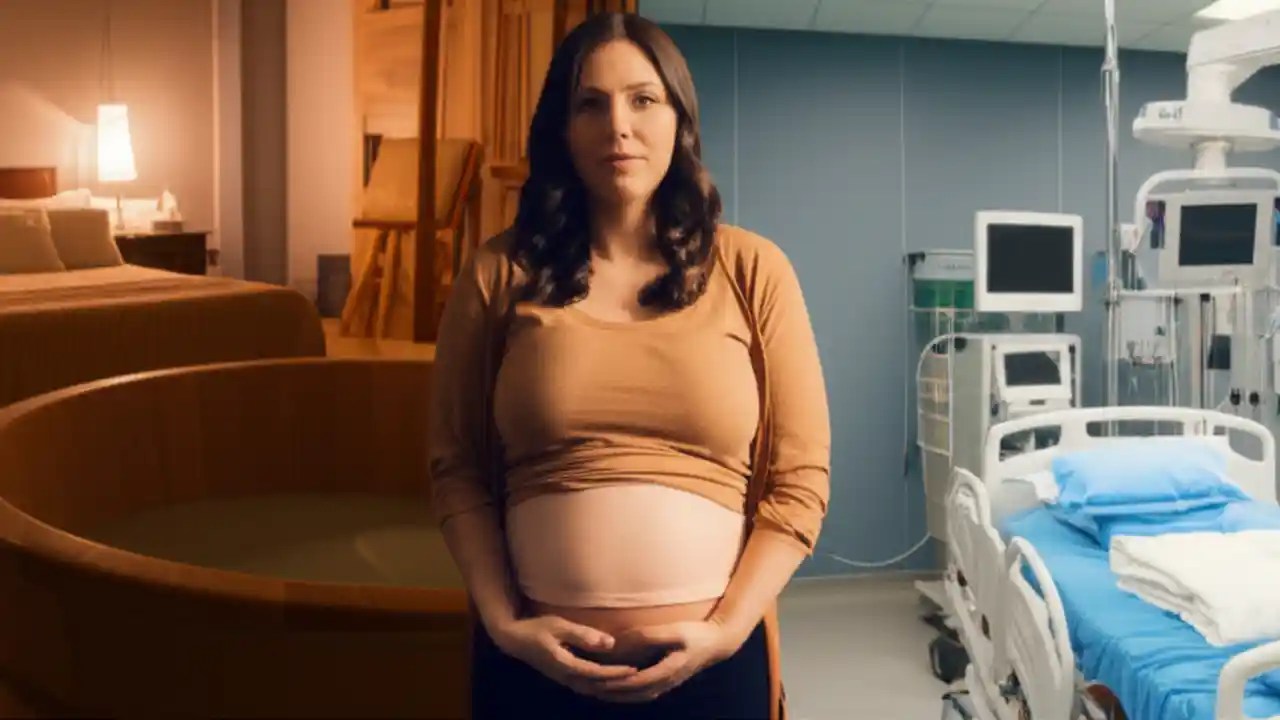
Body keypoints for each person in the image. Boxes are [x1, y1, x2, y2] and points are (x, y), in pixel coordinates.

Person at [428, 11, 830, 719]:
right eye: (591, 103)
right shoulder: (497, 271)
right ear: (562, 127)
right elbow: (454, 465)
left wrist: (727, 629)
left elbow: (799, 485)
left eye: (644, 99)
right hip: (531, 669)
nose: (619, 125)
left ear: (680, 118)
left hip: (714, 668)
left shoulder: (754, 269)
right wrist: (504, 624)